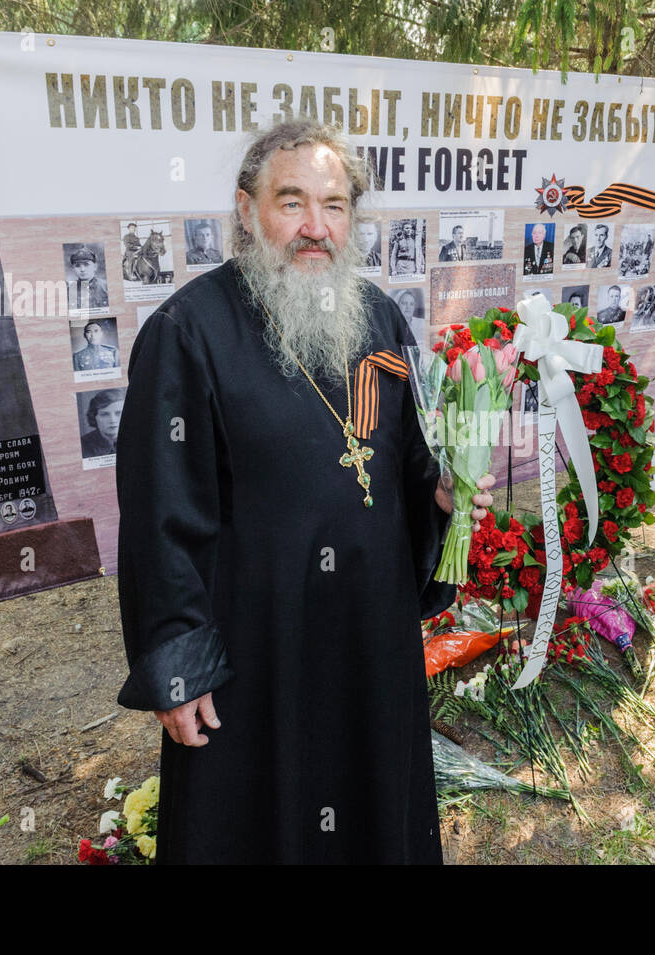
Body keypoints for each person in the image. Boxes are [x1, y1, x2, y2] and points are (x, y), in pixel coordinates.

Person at [115, 118, 493, 864]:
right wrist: (177, 663)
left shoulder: (380, 319)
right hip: (258, 653)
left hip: (368, 637)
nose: (315, 228)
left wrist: (442, 498)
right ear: (247, 209)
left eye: (335, 205)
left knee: (373, 812)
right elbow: (161, 515)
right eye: (292, 203)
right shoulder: (188, 332)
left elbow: (406, 460)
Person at [80, 388, 123, 457]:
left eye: (118, 413)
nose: (113, 420)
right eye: (105, 414)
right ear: (94, 417)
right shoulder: (82, 446)